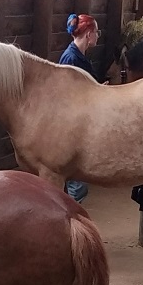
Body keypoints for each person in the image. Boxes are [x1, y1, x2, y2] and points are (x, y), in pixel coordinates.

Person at [58, 13, 100, 202]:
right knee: (77, 182)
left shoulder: (79, 57)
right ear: (89, 34)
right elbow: (67, 95)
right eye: (97, 32)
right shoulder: (71, 59)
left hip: (81, 120)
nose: (98, 35)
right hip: (73, 125)